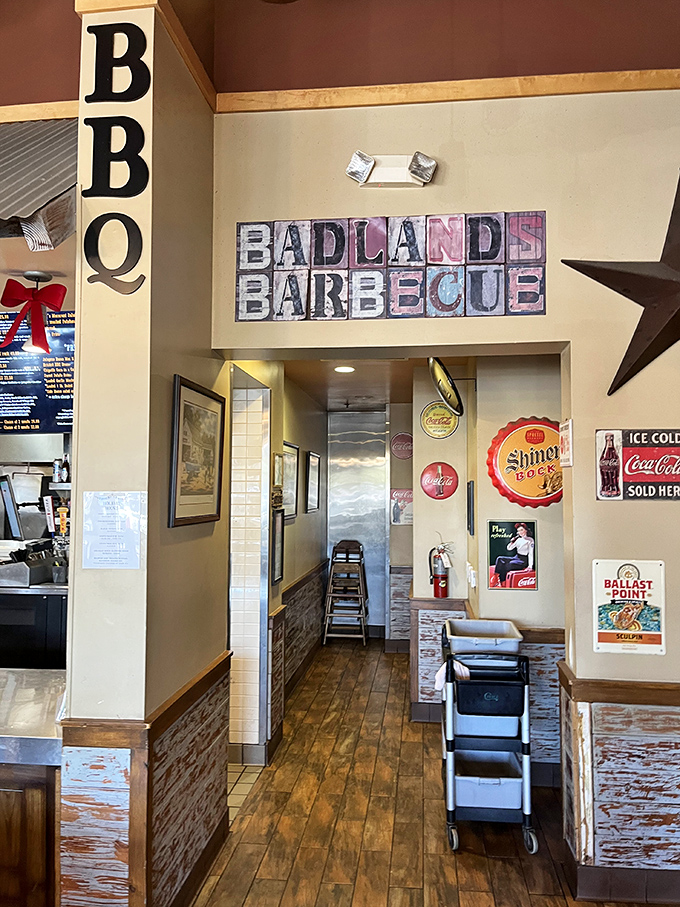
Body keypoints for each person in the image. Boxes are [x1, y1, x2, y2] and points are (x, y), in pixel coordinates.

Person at [491, 522, 534, 587]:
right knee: (499, 558)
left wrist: (530, 566)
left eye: (521, 530)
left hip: (523, 560)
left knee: (508, 564)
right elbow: (509, 548)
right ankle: (496, 577)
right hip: (517, 557)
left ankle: (503, 582)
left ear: (526, 530)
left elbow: (531, 554)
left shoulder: (530, 540)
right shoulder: (518, 540)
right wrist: (512, 542)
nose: (520, 532)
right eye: (519, 531)